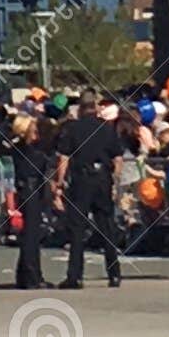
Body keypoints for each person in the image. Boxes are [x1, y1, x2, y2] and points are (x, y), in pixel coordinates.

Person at [53, 90, 123, 288]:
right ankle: (114, 274)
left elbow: (63, 157)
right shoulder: (107, 128)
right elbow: (118, 158)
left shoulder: (73, 129)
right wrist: (114, 181)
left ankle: (75, 276)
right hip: (102, 179)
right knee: (107, 227)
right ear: (96, 106)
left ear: (81, 108)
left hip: (82, 180)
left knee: (77, 229)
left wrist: (59, 182)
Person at [11, 115, 49, 289]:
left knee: (30, 235)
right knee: (31, 236)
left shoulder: (22, 148)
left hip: (31, 189)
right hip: (29, 190)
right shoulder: (25, 150)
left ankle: (24, 275)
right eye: (33, 129)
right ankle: (32, 276)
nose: (36, 133)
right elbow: (36, 166)